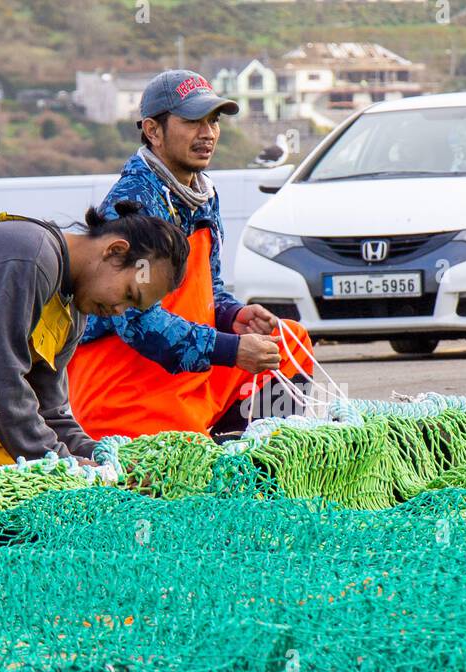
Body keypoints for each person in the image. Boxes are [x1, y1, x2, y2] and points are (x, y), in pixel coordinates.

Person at [68, 69, 316, 441]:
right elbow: (136, 323)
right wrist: (231, 349)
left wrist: (234, 315)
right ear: (153, 130)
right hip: (126, 380)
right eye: (192, 121)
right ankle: (207, 456)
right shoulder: (132, 205)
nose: (208, 133)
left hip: (183, 371)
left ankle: (240, 457)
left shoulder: (203, 194)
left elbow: (210, 288)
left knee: (288, 343)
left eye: (213, 121)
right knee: (181, 454)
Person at [0, 201, 189, 464]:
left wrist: (102, 459)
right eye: (128, 294)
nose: (119, 311)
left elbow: (51, 413)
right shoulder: (31, 257)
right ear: (114, 251)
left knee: (10, 480)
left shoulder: (75, 308)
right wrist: (61, 464)